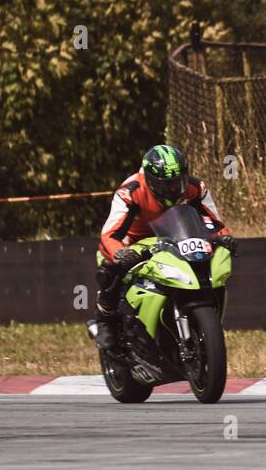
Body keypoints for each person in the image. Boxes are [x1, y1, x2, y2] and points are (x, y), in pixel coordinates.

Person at [93, 144, 233, 349]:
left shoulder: (196, 189)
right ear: (149, 180)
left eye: (178, 183)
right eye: (166, 185)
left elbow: (214, 222)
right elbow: (110, 233)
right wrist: (120, 253)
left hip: (177, 235)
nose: (174, 189)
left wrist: (224, 238)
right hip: (132, 240)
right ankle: (104, 318)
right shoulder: (130, 191)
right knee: (111, 264)